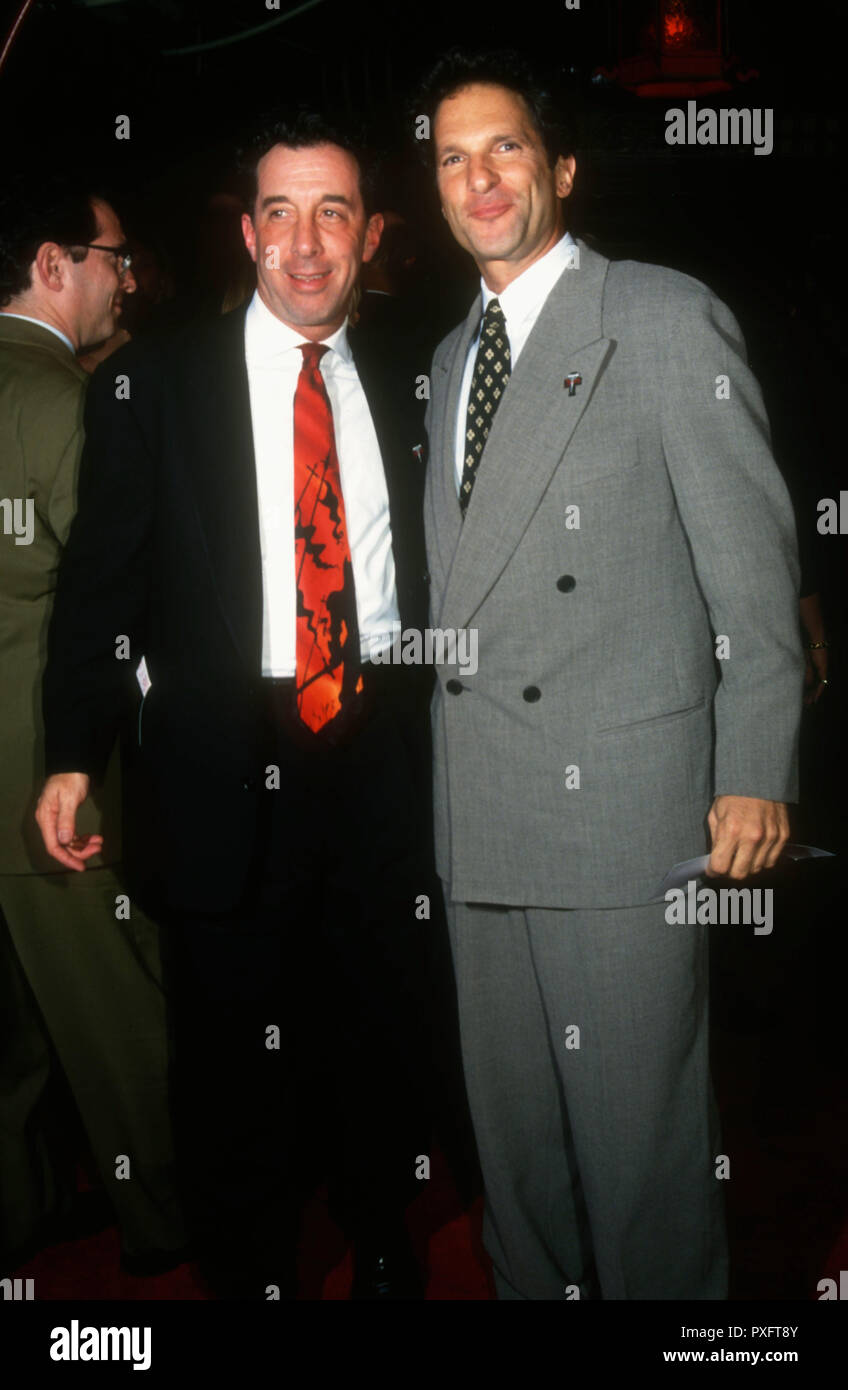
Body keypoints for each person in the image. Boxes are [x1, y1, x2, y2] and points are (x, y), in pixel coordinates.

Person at [415, 49, 804, 1300]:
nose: (479, 178)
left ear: (562, 168)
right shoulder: (441, 359)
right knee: (516, 1160)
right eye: (451, 157)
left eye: (506, 147)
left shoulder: (654, 312)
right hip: (479, 816)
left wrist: (753, 770)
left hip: (625, 813)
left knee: (641, 1163)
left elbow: (751, 572)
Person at [36, 116, 439, 1299]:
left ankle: (380, 1234)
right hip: (220, 760)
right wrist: (71, 751)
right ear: (246, 230)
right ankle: (250, 1270)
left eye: (331, 214)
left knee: (380, 1028)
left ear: (369, 234)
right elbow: (100, 586)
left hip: (380, 757)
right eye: (278, 212)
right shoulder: (151, 385)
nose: (304, 244)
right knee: (228, 1064)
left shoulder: (421, 372)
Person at [0, 180, 185, 1273]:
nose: (130, 275)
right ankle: (176, 1229)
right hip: (45, 785)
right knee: (126, 1030)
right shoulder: (63, 402)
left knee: (13, 1041)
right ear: (53, 260)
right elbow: (118, 598)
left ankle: (20, 1219)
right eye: (115, 255)